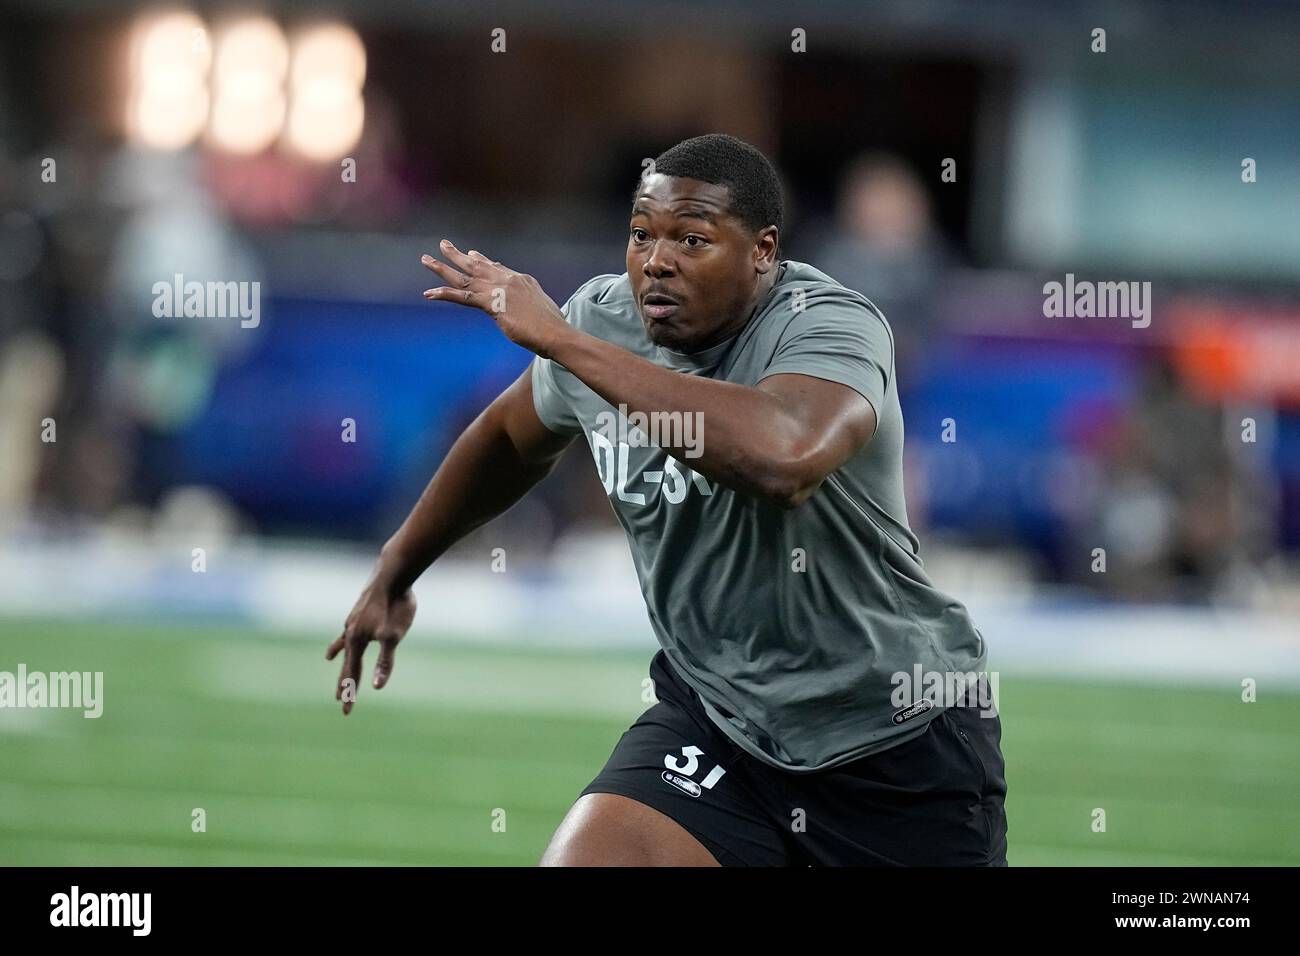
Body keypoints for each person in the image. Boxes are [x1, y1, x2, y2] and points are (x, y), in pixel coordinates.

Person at [326, 133, 1007, 866]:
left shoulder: (831, 325)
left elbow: (784, 457)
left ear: (763, 250)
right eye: (641, 234)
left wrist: (564, 343)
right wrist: (397, 568)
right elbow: (510, 438)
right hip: (716, 719)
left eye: (692, 238)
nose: (656, 260)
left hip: (893, 735)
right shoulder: (604, 320)